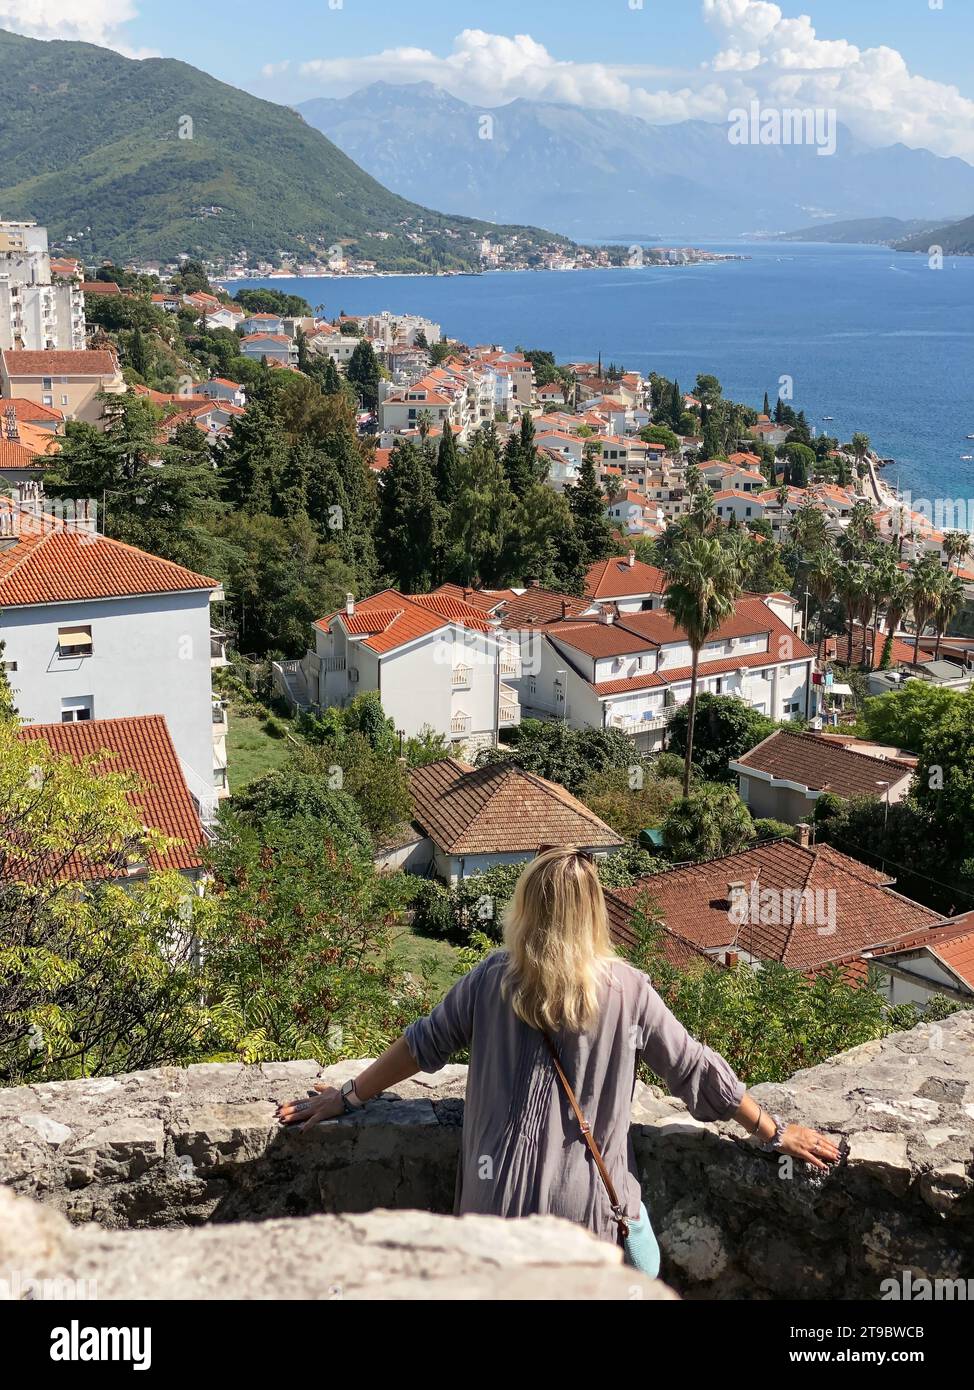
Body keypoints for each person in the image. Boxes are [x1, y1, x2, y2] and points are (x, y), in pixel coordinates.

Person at [277, 848, 840, 1272]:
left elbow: (421, 1045)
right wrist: (775, 1132)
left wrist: (348, 1097)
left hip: (491, 1201)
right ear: (594, 914)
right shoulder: (628, 991)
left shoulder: (492, 979)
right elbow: (695, 1072)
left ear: (527, 908)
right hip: (585, 1209)